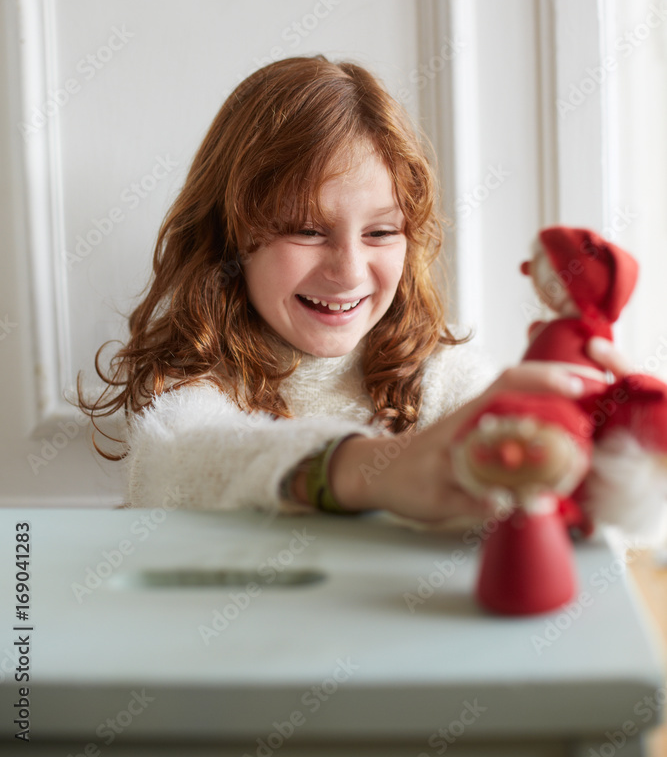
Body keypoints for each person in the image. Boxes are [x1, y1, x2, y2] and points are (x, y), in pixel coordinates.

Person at [73, 55, 629, 528]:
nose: (348, 269)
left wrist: (600, 457)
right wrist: (372, 468)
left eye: (381, 232)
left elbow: (555, 516)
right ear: (232, 236)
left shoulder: (443, 385)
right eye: (308, 230)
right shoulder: (192, 392)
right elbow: (184, 461)